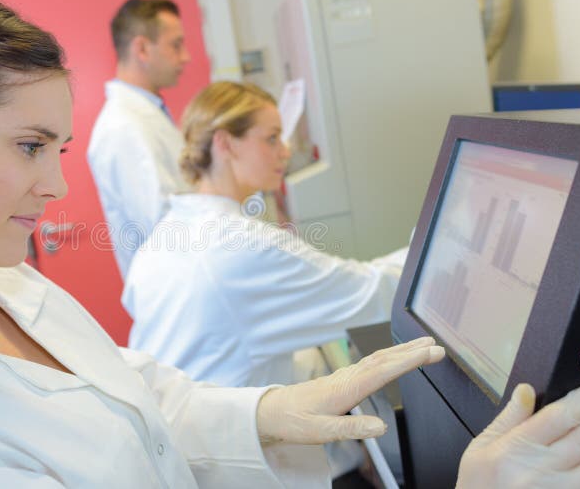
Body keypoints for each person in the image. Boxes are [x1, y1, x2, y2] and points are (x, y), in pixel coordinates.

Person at [0, 0, 580, 489]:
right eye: (29, 146)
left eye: (58, 151)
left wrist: (271, 409)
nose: (58, 186)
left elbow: (135, 392)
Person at [123, 81, 407, 389]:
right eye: (272, 139)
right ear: (226, 144)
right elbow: (371, 294)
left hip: (170, 416)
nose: (284, 152)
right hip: (217, 431)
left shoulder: (167, 232)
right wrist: (437, 247)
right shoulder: (244, 245)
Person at [87, 0, 191, 279]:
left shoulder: (147, 115)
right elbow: (165, 227)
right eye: (176, 45)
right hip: (174, 288)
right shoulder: (124, 127)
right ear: (142, 49)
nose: (186, 57)